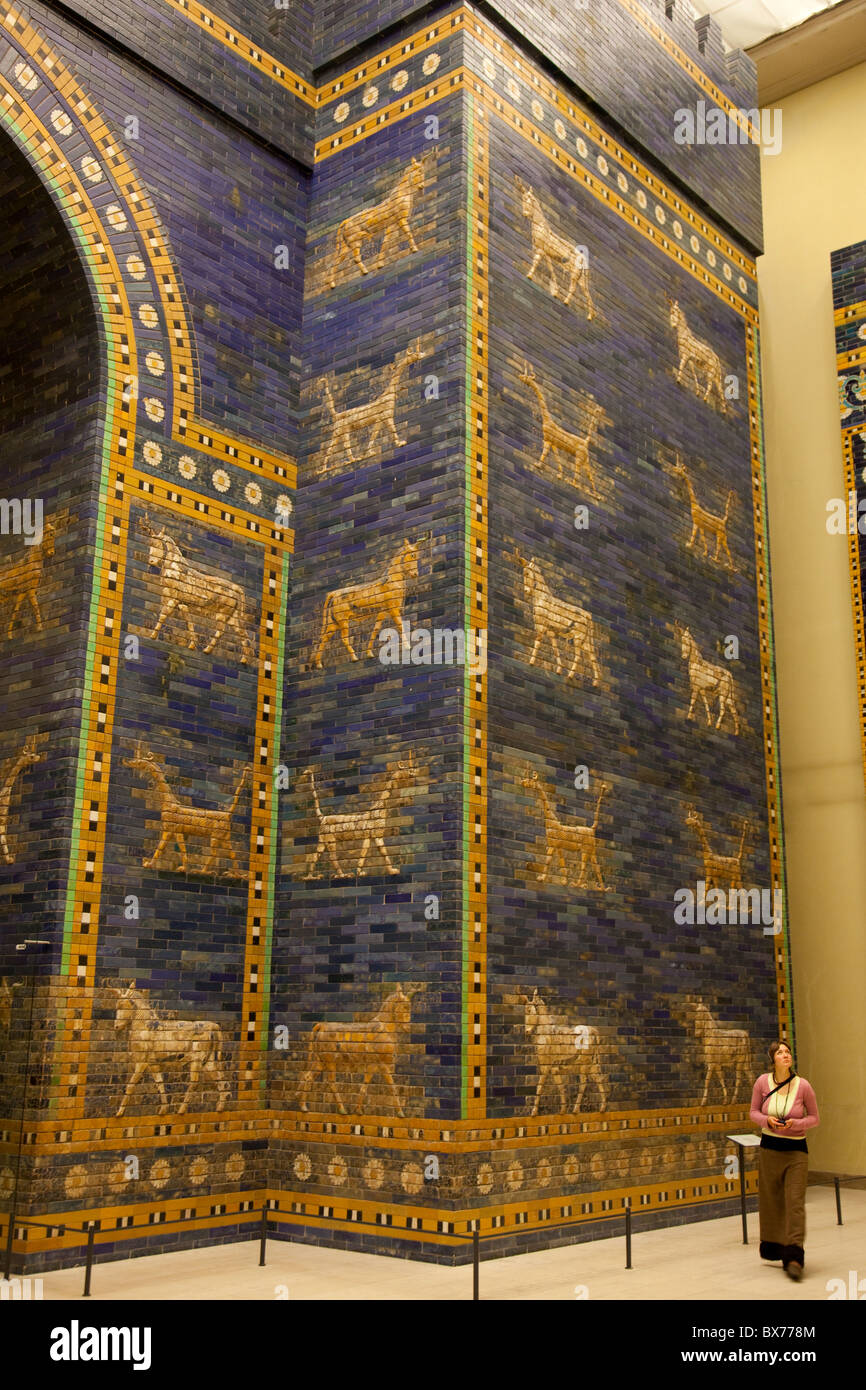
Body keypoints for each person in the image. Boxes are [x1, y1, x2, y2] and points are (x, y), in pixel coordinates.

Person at [749, 1041, 819, 1281]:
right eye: (780, 1052)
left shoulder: (803, 1086)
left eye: (787, 1052)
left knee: (795, 1202)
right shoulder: (762, 1083)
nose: (785, 1055)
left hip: (796, 1150)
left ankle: (794, 1255)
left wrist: (796, 1124)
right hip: (769, 1149)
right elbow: (754, 1112)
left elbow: (814, 1118)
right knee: (772, 1201)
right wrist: (767, 1121)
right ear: (773, 1059)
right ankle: (775, 1246)